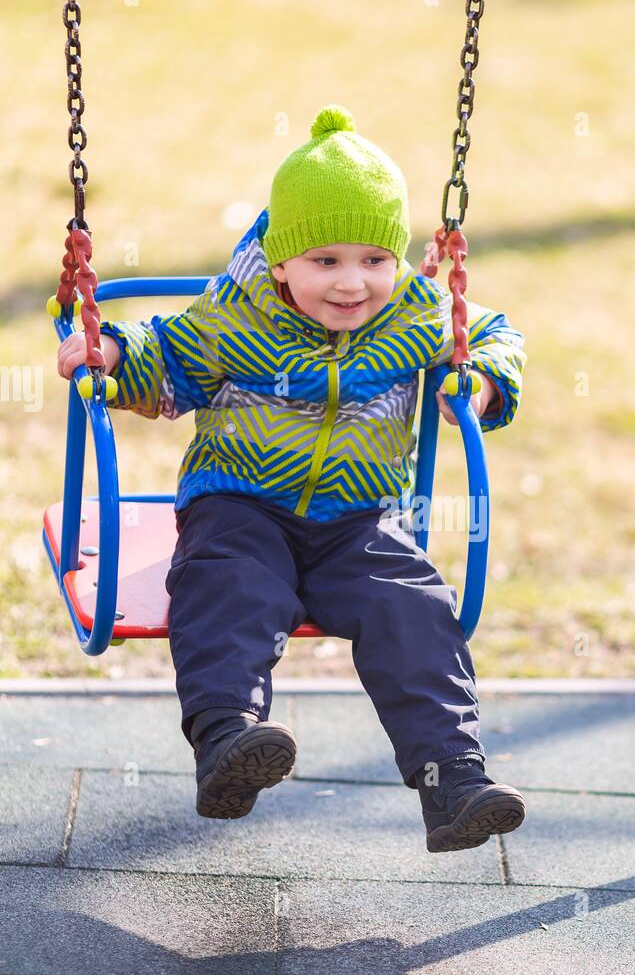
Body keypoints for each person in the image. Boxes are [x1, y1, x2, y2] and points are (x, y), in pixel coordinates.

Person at [56, 105, 528, 853]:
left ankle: (454, 781)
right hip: (240, 504)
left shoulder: (418, 313)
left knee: (414, 609)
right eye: (326, 261)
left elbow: (496, 334)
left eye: (375, 259)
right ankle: (228, 740)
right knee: (228, 588)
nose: (353, 283)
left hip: (360, 520)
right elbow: (164, 357)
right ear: (281, 263)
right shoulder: (232, 317)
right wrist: (109, 356)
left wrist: (485, 383)